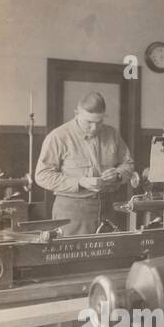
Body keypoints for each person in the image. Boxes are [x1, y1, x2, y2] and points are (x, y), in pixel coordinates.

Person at [34, 92, 135, 236]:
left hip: (107, 211)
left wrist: (118, 174)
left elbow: (128, 163)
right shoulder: (58, 137)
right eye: (89, 122)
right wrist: (79, 182)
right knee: (73, 256)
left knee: (109, 257)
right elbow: (42, 175)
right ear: (76, 113)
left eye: (99, 122)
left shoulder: (112, 134)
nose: (94, 127)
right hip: (72, 213)